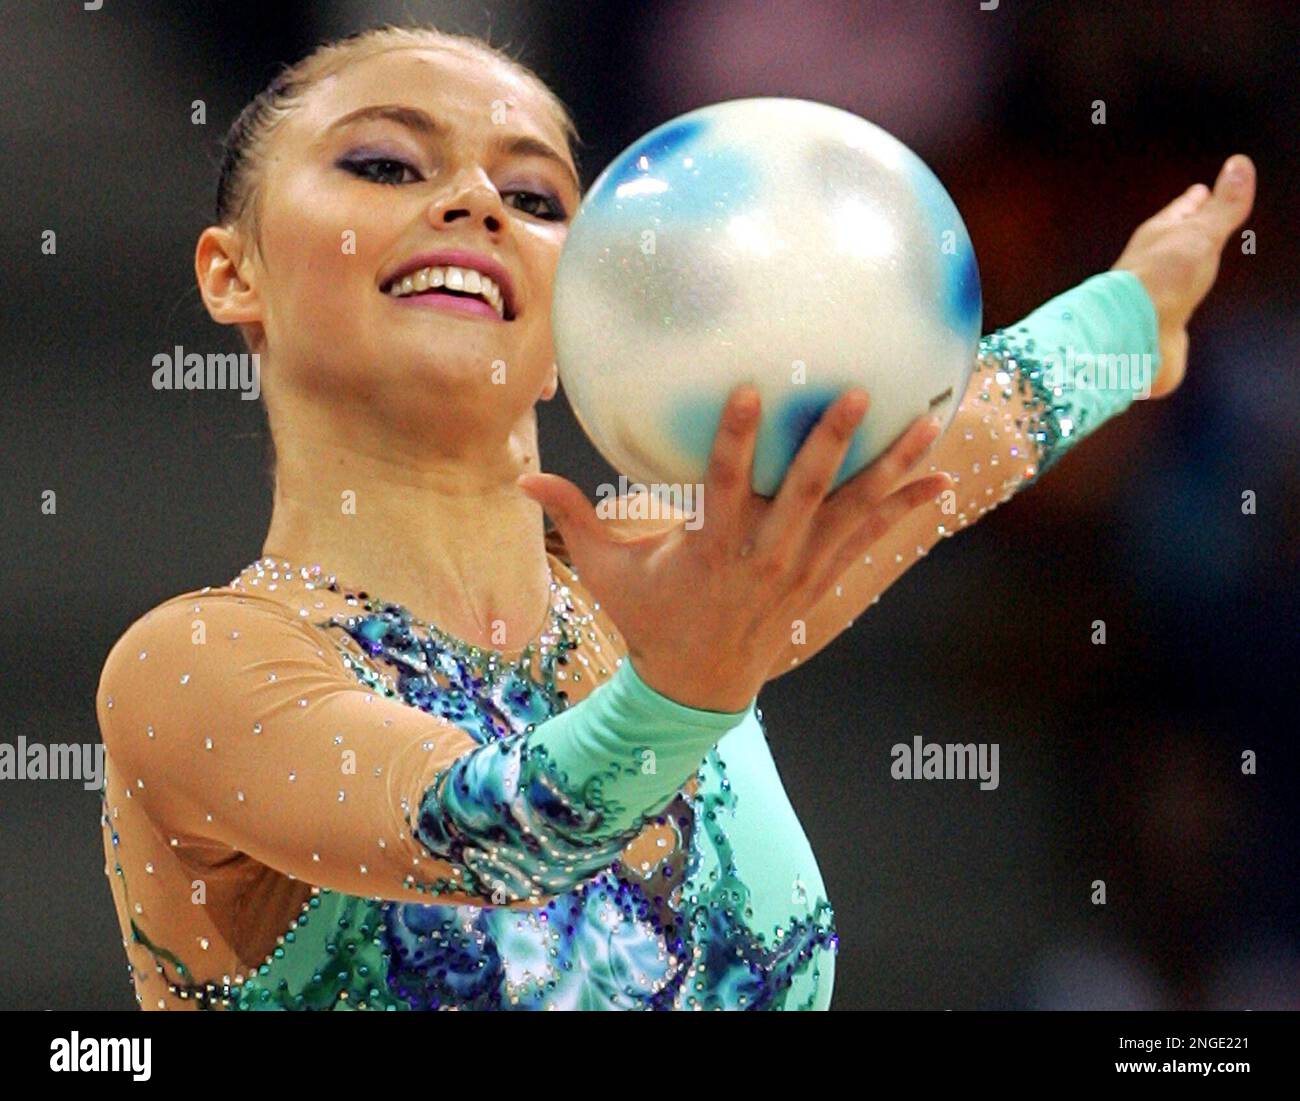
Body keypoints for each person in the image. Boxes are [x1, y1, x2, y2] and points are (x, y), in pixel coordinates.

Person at [95, 24, 1256, 1011]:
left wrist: (1131, 317)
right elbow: (486, 836)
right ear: (229, 272)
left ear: (584, 308)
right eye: (387, 164)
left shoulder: (672, 584)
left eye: (536, 195)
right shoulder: (195, 669)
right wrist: (685, 687)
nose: (472, 203)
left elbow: (947, 440)